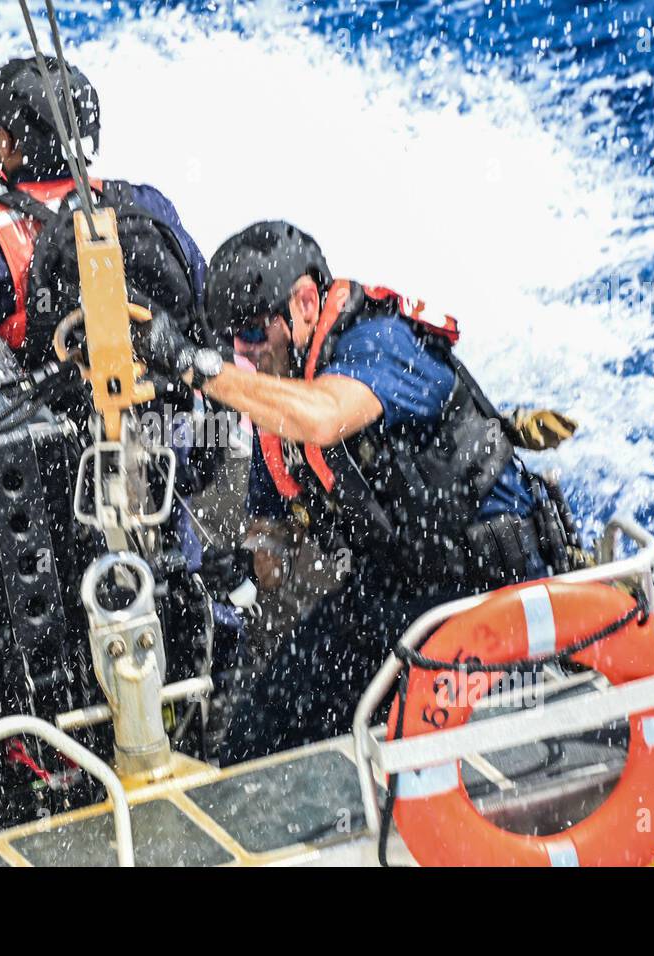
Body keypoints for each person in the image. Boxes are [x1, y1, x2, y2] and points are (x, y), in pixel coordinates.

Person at [130, 220, 581, 763]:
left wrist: (194, 366)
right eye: (231, 340)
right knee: (264, 729)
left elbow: (326, 416)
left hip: (490, 584)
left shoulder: (380, 342)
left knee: (469, 751)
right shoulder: (282, 406)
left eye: (252, 331)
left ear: (302, 303)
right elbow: (275, 532)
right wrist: (247, 563)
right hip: (398, 586)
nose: (243, 352)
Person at [0, 56, 206, 365]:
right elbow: (201, 307)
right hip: (161, 403)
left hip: (47, 409)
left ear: (3, 143)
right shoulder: (146, 203)